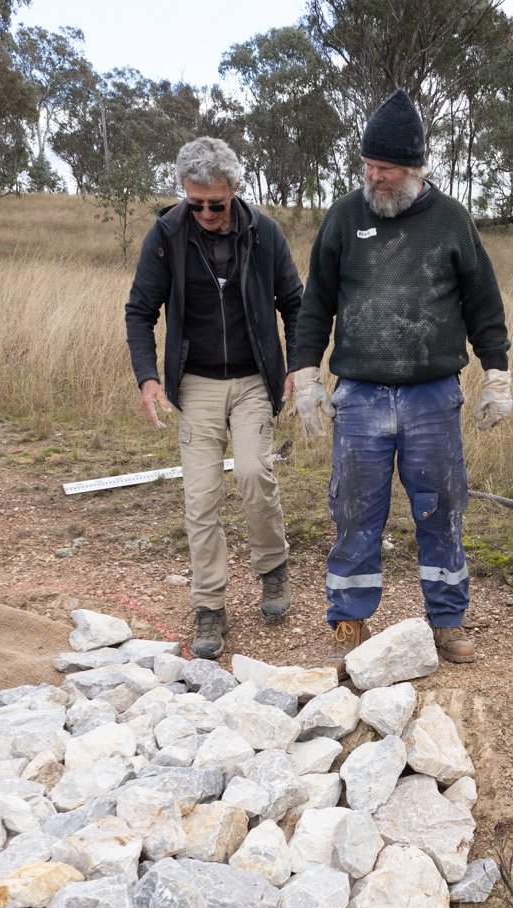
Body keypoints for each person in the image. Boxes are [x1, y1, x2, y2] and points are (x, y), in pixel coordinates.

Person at [288, 89, 512, 666]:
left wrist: (497, 375)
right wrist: (307, 377)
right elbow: (316, 305)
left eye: (385, 168)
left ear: (416, 169)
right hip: (359, 394)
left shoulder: (451, 220)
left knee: (442, 506)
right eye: (367, 165)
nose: (375, 177)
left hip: (433, 396)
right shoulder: (344, 216)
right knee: (354, 507)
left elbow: (484, 304)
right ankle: (350, 619)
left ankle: (447, 621)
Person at [125, 137, 303, 661]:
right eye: (194, 202)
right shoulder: (166, 236)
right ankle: (209, 605)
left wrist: (297, 366)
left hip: (253, 379)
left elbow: (294, 303)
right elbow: (140, 310)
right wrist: (148, 378)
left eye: (215, 204)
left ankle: (273, 570)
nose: (204, 213)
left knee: (252, 473)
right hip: (196, 382)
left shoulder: (265, 233)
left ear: (235, 191)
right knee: (200, 497)